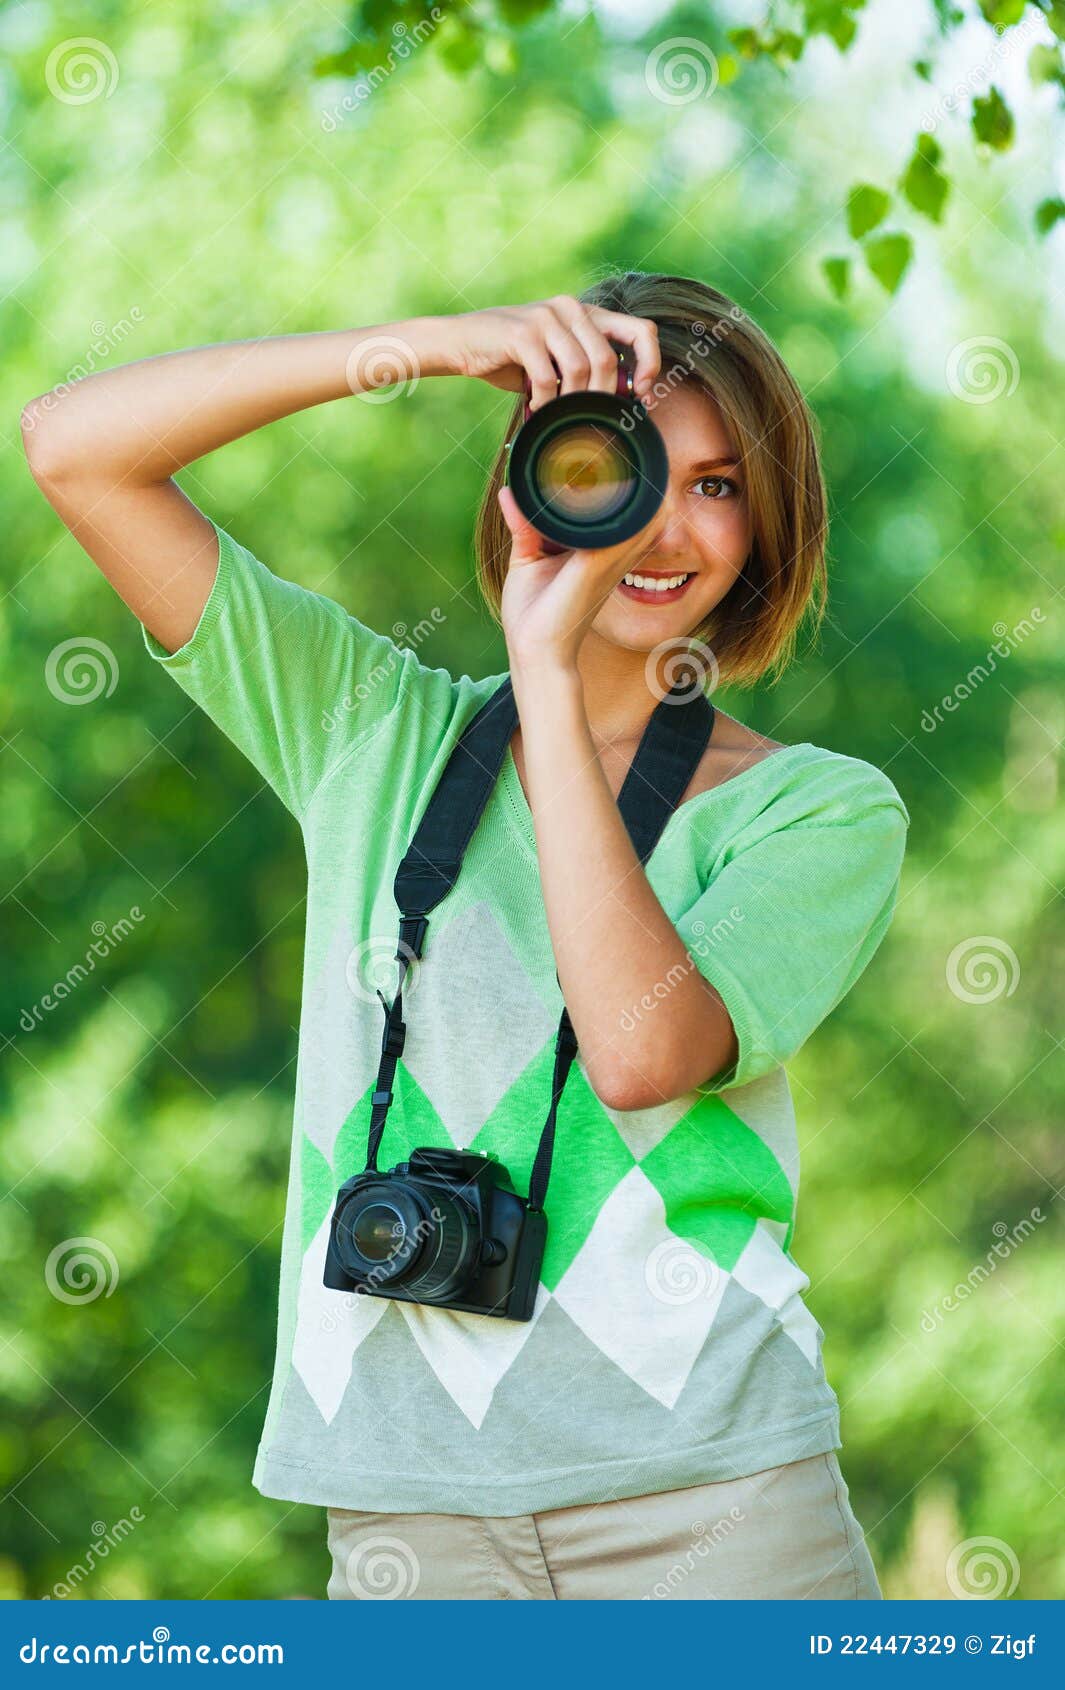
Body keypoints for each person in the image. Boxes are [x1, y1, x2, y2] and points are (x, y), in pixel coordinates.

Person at [22, 272, 909, 1601]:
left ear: (772, 524)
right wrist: (432, 349)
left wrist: (544, 674)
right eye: (625, 464)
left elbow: (637, 1050)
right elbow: (74, 449)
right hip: (403, 1511)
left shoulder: (813, 807)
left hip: (714, 1497)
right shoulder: (368, 733)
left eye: (720, 485)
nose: (665, 526)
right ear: (539, 479)